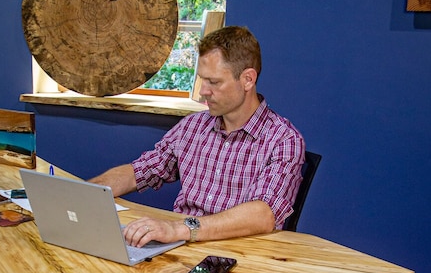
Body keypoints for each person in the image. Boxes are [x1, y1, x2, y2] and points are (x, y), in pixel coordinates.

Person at [90, 25, 306, 248]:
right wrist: (87, 193)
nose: (203, 91)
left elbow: (263, 213)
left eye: (214, 82)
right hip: (180, 246)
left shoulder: (283, 140)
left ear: (248, 80)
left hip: (240, 257)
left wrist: (179, 229)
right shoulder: (192, 126)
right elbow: (142, 171)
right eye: (202, 79)